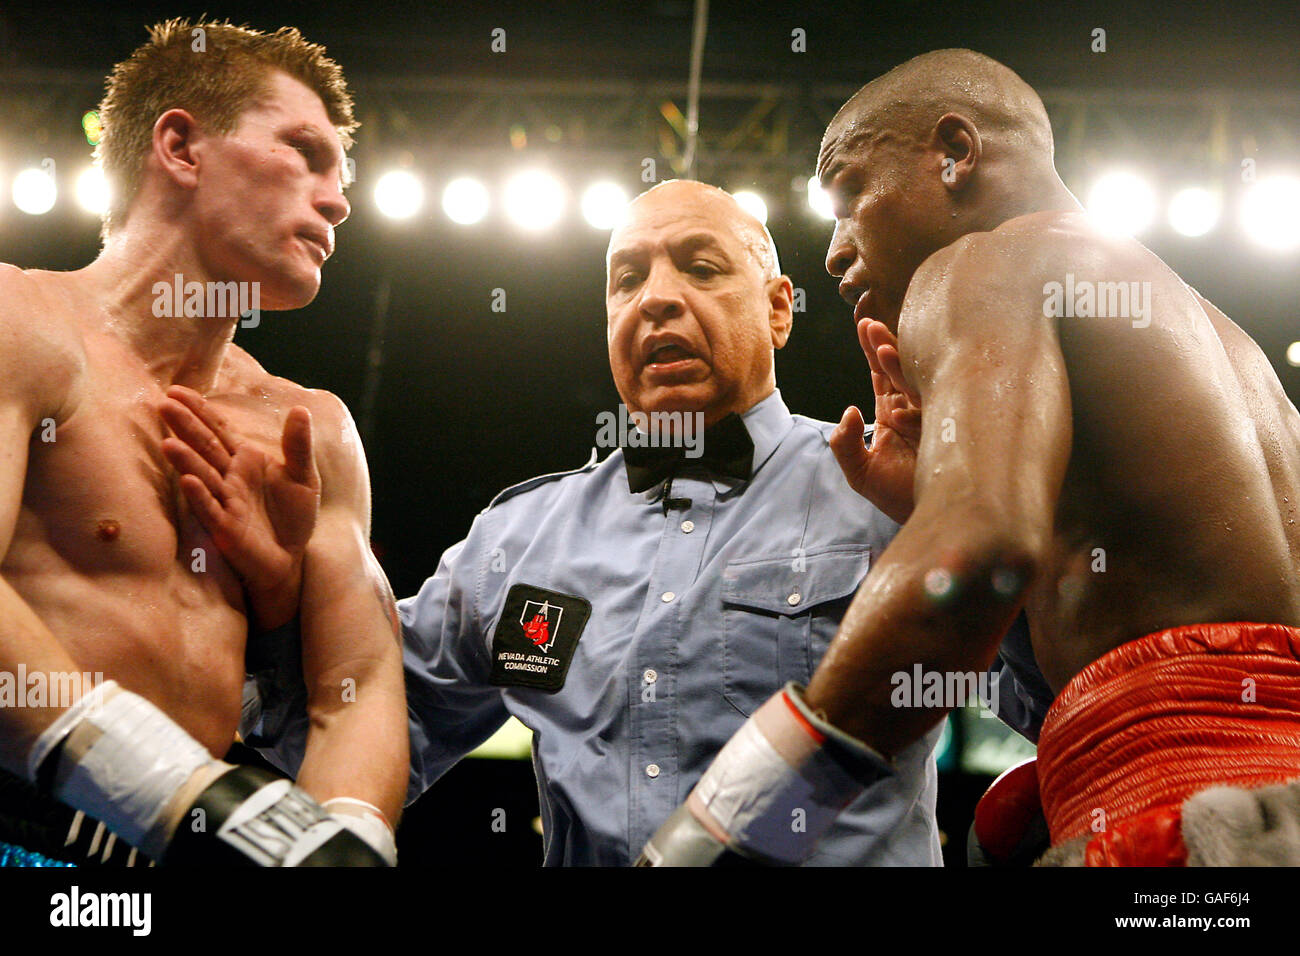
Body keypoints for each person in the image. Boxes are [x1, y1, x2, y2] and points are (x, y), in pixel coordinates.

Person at [170, 177, 1041, 865]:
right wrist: (287, 594)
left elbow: (1042, 703)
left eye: (700, 268)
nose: (656, 299)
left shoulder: (879, 485)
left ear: (779, 308)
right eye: (628, 279)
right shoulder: (519, 540)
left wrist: (942, 510)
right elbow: (349, 736)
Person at [641, 48, 1300, 867]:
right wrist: (936, 503)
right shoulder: (1239, 352)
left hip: (1185, 833)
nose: (833, 250)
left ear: (954, 154)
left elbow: (978, 557)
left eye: (849, 197)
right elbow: (1134, 651)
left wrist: (726, 833)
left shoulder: (983, 264)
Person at [0, 19, 407, 867]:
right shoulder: (23, 323)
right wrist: (177, 790)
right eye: (306, 152)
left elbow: (359, 685)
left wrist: (347, 837)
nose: (337, 199)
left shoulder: (311, 428)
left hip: (192, 846)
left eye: (342, 174)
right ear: (181, 147)